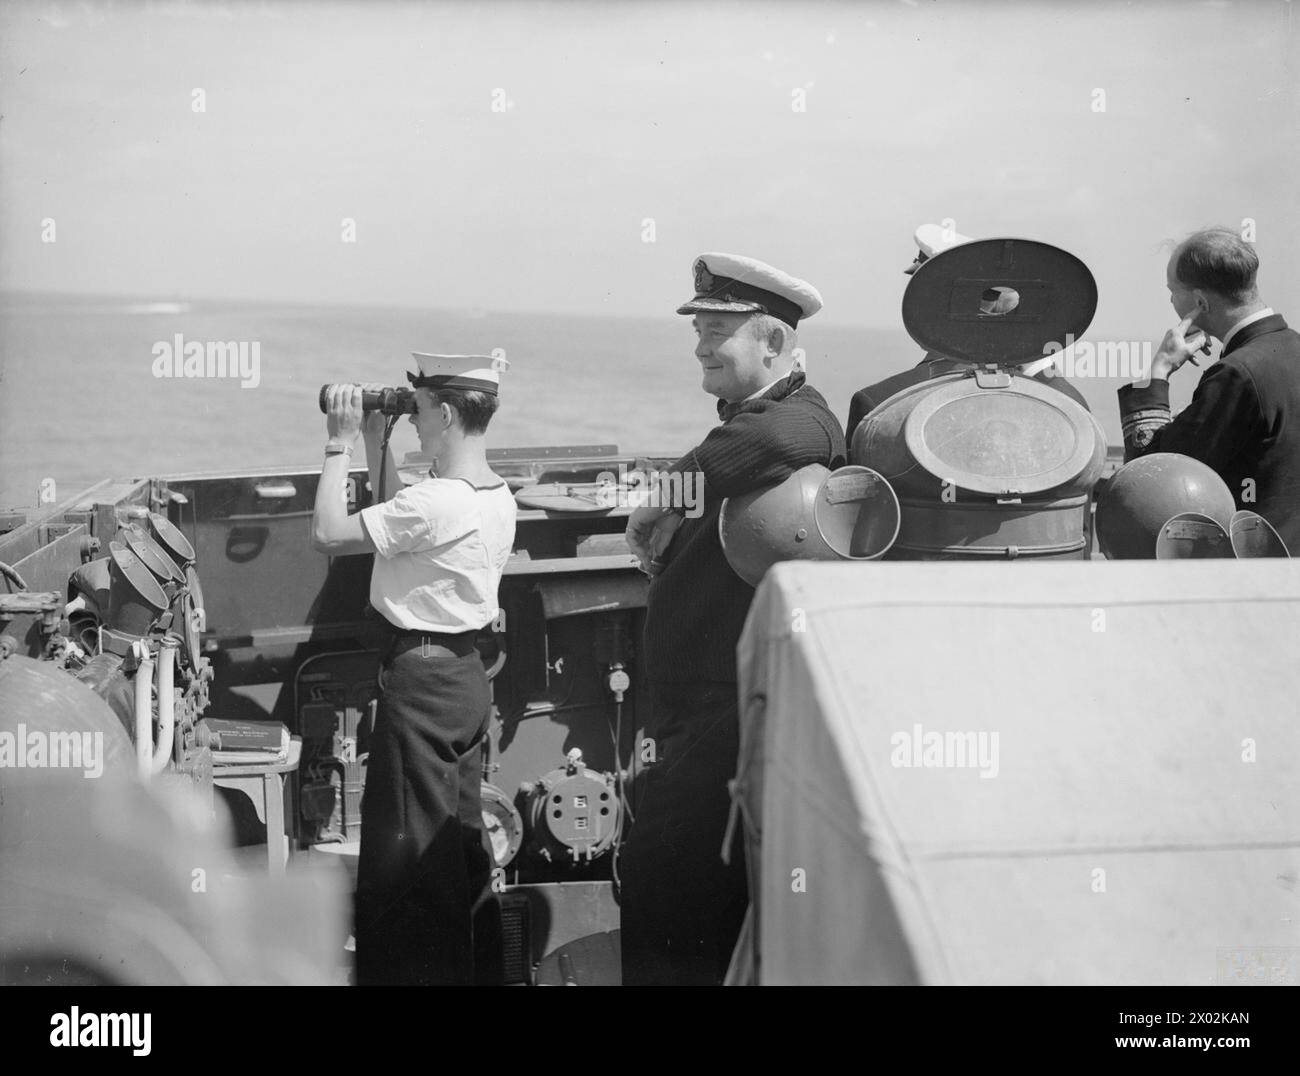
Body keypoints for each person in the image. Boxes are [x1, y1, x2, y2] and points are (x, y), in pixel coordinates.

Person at [620, 252, 846, 984]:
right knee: (678, 893)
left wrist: (660, 498)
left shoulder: (794, 420)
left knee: (670, 891)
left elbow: (796, 437)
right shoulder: (748, 430)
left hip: (727, 717)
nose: (700, 347)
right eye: (700, 329)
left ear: (774, 344)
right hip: (694, 713)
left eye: (718, 330)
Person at [311, 354, 516, 985]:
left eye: (420, 409)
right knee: (457, 844)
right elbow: (403, 518)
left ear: (448, 412)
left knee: (404, 862)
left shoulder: (437, 502)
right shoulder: (492, 493)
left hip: (420, 684)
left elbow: (329, 532)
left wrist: (337, 445)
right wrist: (379, 439)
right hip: (464, 678)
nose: (416, 419)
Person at [1117, 228, 1300, 550]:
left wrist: (1158, 373)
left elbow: (1153, 481)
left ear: (1200, 301)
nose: (1171, 301)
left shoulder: (1236, 374)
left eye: (1173, 291)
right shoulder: (1290, 349)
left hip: (1257, 573)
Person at [845, 224, 1090, 443]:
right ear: (994, 305)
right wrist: (1029, 352)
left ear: (921, 300)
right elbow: (1082, 417)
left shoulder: (876, 405)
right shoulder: (1061, 407)